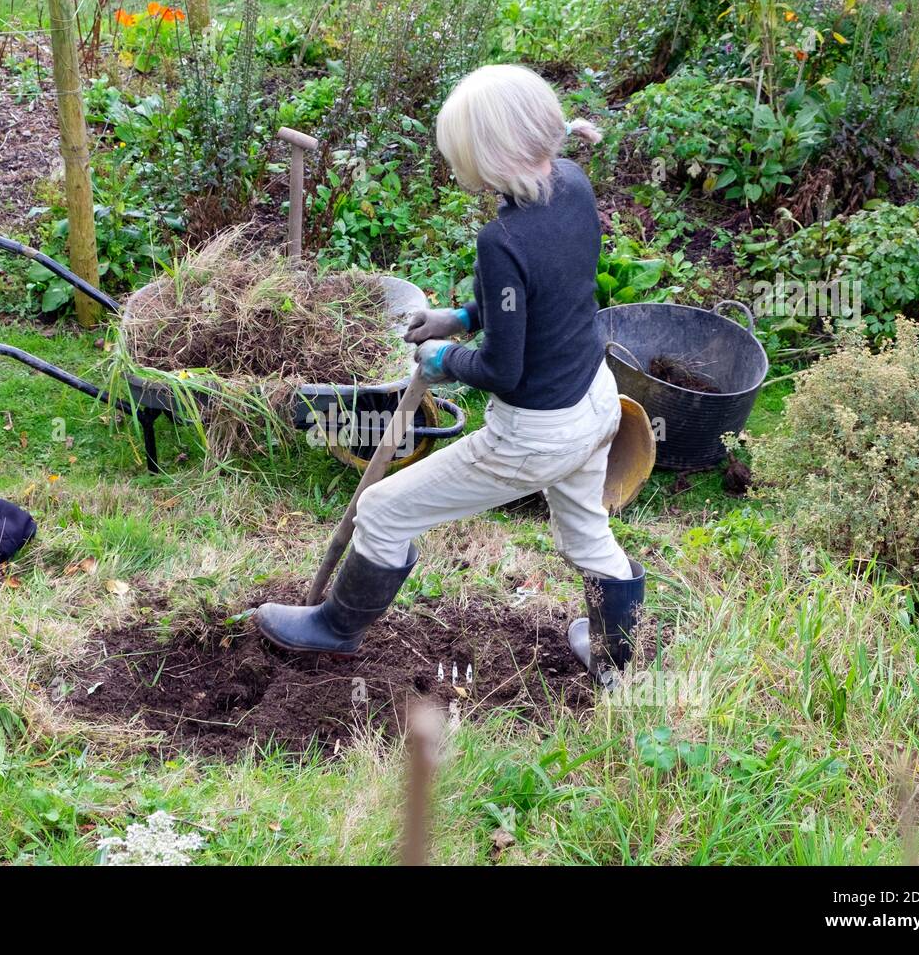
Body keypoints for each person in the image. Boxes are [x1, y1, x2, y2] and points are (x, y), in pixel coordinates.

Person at [255, 64, 645, 680]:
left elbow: (505, 369)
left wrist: (445, 361)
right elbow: (547, 293)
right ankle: (615, 663)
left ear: (485, 154)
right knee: (587, 538)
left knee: (383, 509)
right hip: (595, 401)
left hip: (534, 430)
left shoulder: (501, 239)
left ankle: (335, 629)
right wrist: (461, 317)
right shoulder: (571, 183)